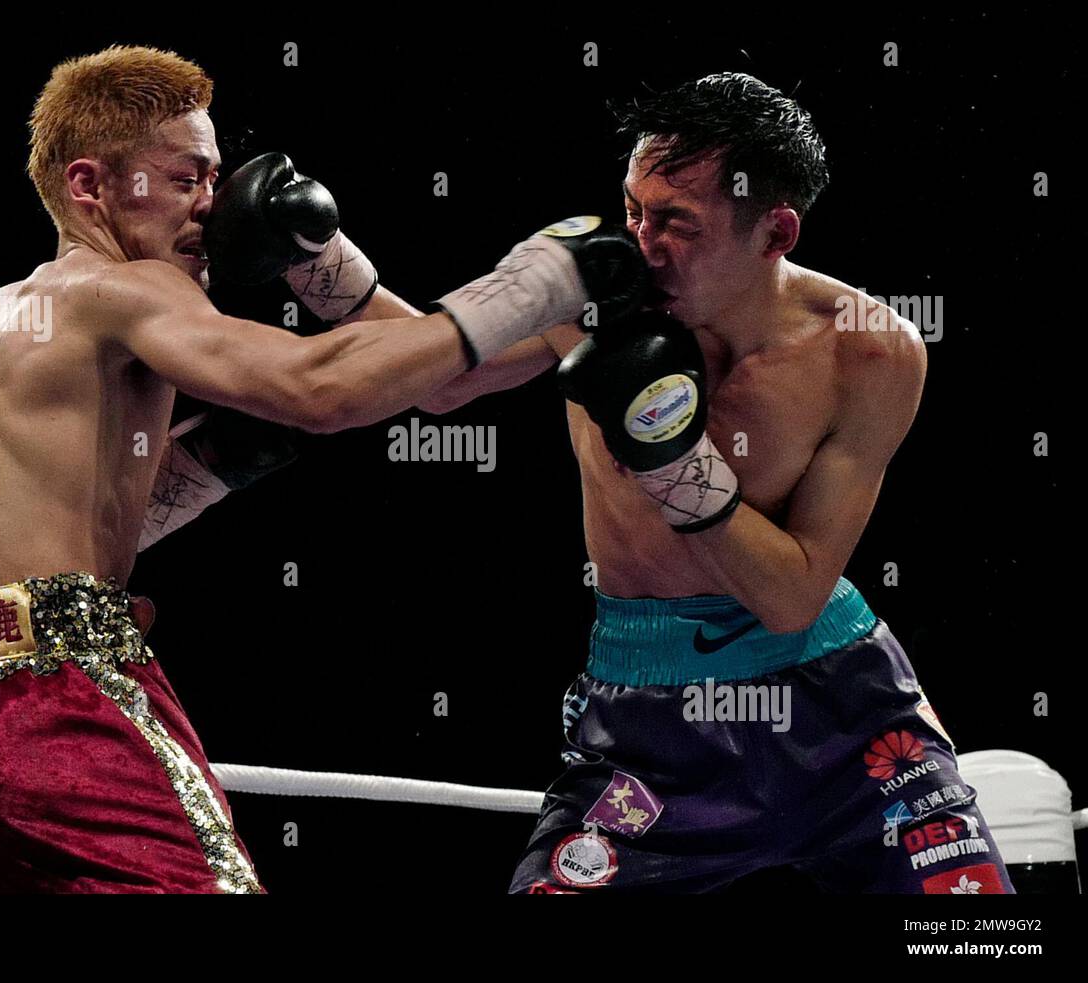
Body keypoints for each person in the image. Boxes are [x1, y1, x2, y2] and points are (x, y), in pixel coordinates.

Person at [0, 44, 647, 893]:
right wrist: (539, 283)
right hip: (61, 694)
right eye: (185, 179)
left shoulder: (2, 317)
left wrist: (211, 464)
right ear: (87, 185)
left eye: (214, 182)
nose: (211, 209)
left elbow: (79, 526)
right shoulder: (129, 289)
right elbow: (317, 387)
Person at [416, 72, 1014, 894]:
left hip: (846, 714)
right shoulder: (590, 295)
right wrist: (318, 261)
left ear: (775, 232)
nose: (642, 242)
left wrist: (671, 458)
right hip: (647, 726)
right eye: (633, 208)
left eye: (676, 223)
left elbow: (794, 596)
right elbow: (431, 380)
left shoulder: (871, 349)